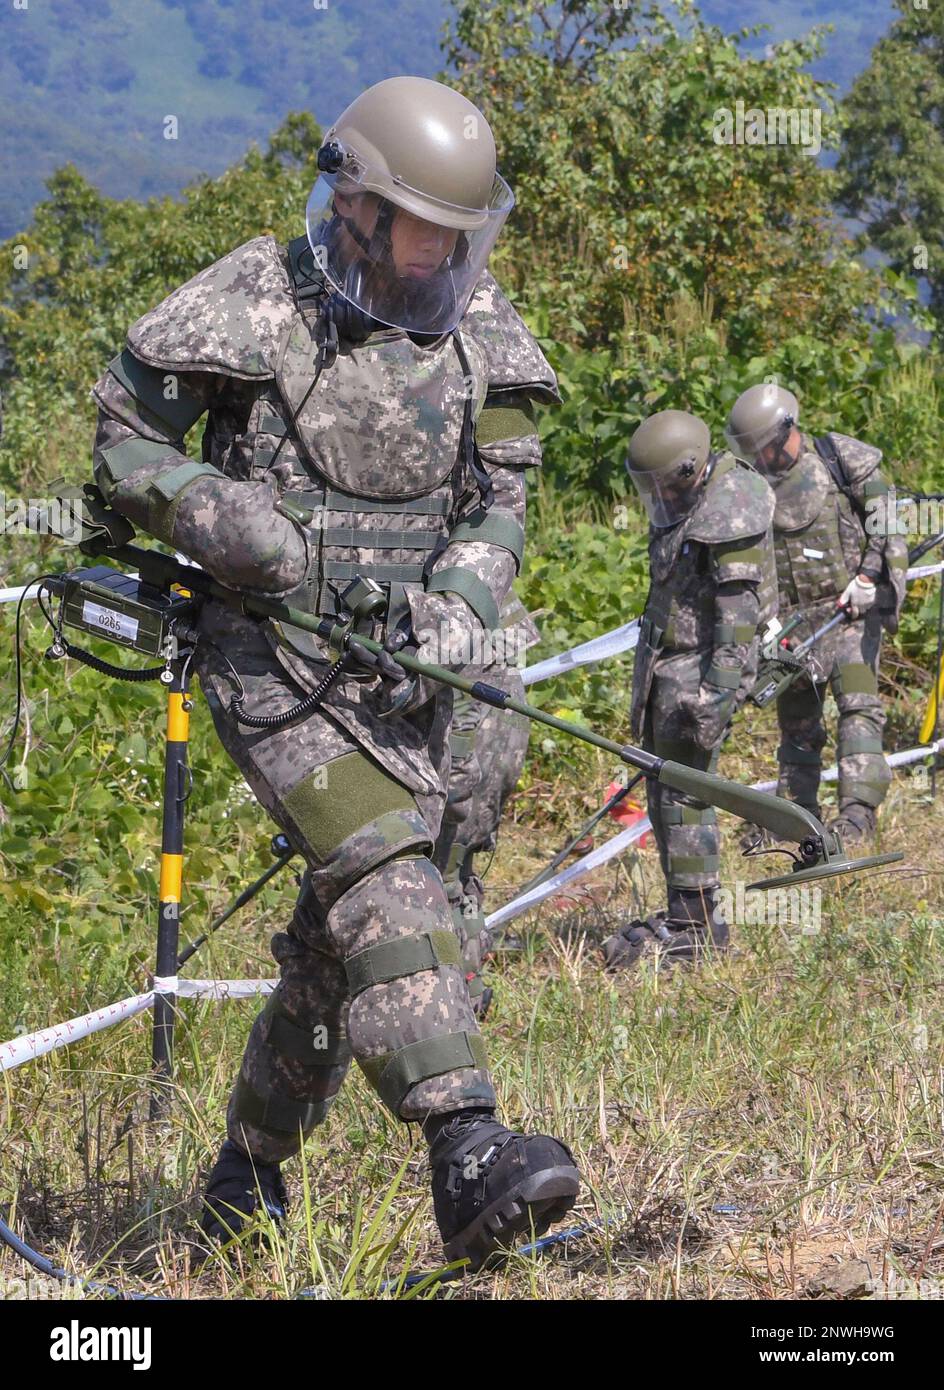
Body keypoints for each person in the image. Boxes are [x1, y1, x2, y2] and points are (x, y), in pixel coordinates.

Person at [89, 75, 579, 1271]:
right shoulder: (259, 302)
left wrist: (461, 602)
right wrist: (219, 516)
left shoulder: (474, 325)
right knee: (381, 870)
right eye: (425, 230)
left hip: (416, 676)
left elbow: (501, 500)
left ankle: (242, 1183)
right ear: (357, 206)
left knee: (339, 941)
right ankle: (467, 1149)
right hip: (270, 665)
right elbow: (121, 437)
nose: (444, 257)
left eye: (462, 239)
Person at [602, 409, 777, 969]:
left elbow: (737, 624)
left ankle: (697, 928)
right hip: (667, 665)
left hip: (696, 675)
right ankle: (688, 912)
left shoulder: (731, 511)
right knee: (665, 796)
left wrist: (715, 698)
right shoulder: (689, 497)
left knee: (683, 800)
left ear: (690, 470)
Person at [724, 383, 908, 845]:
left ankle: (857, 815)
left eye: (768, 448)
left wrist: (868, 578)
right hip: (790, 624)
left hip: (849, 609)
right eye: (755, 453)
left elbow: (887, 521)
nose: (764, 460)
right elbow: (749, 555)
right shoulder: (750, 485)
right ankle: (797, 819)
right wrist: (764, 621)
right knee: (798, 722)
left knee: (859, 707)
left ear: (789, 429)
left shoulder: (841, 459)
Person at [433, 591, 540, 1016]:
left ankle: (456, 996)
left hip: (473, 695)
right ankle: (462, 988)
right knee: (450, 864)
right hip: (467, 684)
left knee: (446, 860)